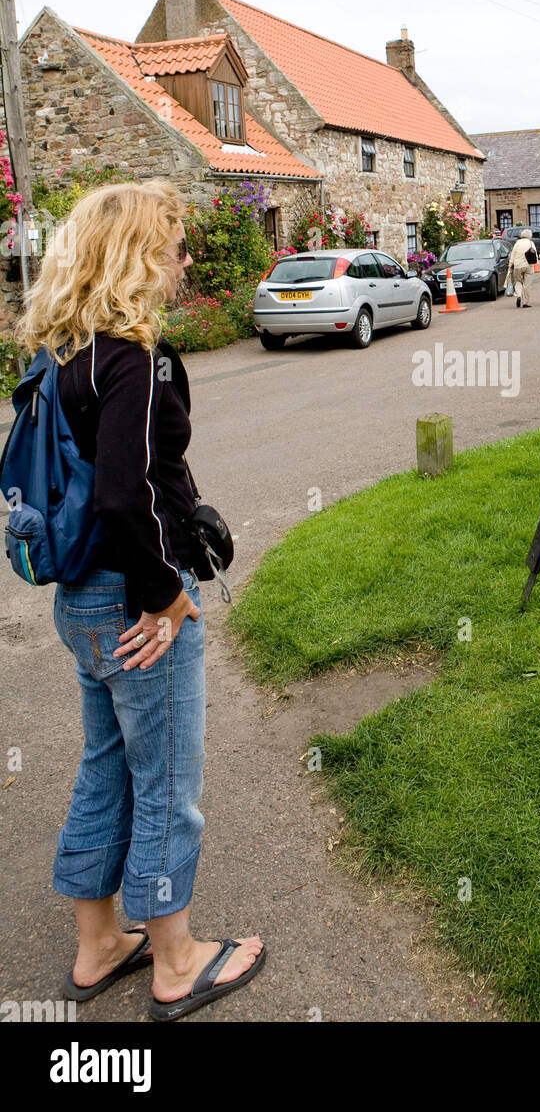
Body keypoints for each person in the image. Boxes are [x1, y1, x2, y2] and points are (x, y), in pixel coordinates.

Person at [15, 180, 266, 1022]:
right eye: (172, 247)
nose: (184, 261)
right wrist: (165, 600)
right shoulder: (134, 360)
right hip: (133, 602)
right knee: (166, 784)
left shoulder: (63, 353)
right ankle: (174, 961)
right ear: (133, 256)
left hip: (80, 599)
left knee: (106, 767)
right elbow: (125, 496)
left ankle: (97, 947)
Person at [507, 228, 537, 307]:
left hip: (518, 266)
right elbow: (535, 254)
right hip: (528, 266)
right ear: (529, 236)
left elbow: (513, 255)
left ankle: (519, 295)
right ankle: (525, 302)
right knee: (527, 284)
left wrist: (510, 265)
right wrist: (535, 264)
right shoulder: (531, 243)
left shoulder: (517, 243)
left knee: (518, 281)